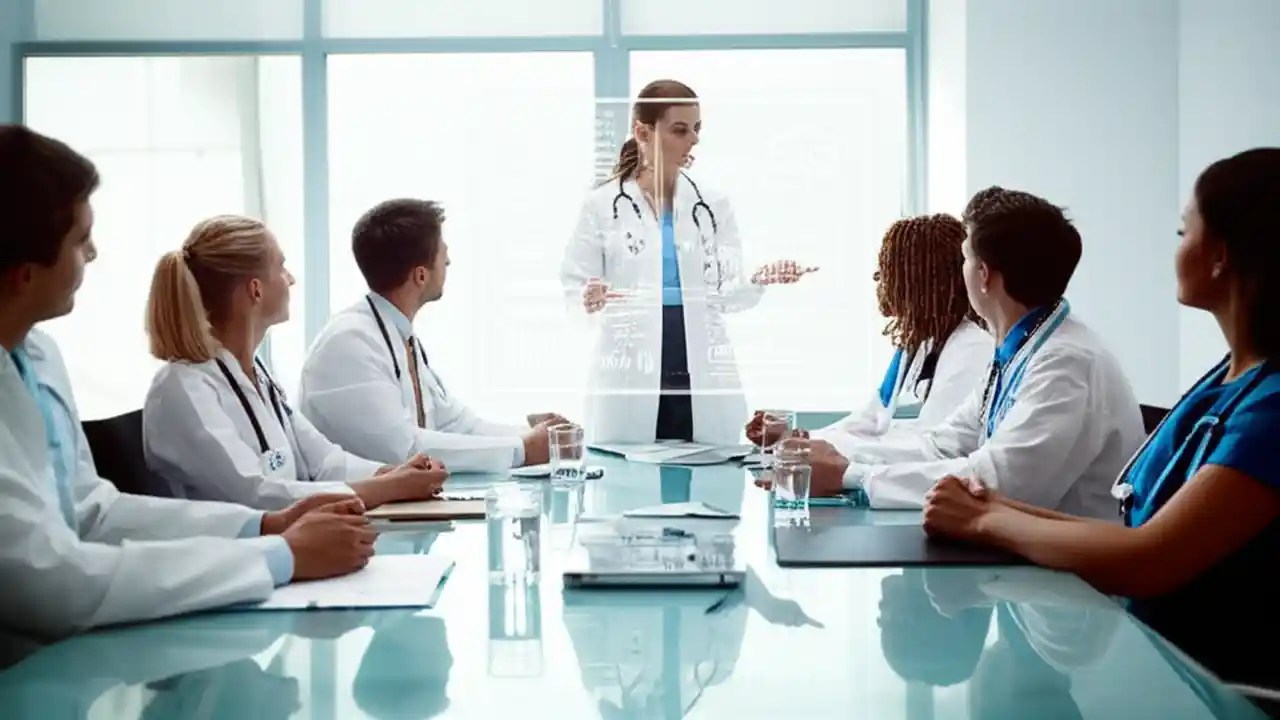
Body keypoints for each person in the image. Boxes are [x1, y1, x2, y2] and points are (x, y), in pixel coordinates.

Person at [922, 148, 1280, 688]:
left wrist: (983, 518)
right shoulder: (1228, 380)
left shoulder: (1272, 406)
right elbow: (1135, 527)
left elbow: (1150, 556)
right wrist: (994, 506)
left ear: (1220, 255)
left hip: (1207, 685)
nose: (1175, 248)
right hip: (1160, 655)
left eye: (1184, 232)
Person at [0, 124, 375, 639]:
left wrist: (266, 528)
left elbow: (92, 513)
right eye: (80, 240)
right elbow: (48, 583)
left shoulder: (39, 355)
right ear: (24, 271)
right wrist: (277, 555)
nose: (92, 255)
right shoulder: (184, 386)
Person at [803, 187, 1144, 518]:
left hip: (1067, 571)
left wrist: (851, 476)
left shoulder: (1066, 363)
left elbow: (995, 483)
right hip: (1016, 552)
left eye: (964, 257)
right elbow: (940, 445)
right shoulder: (1020, 349)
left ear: (983, 275)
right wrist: (835, 456)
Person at [560, 78, 816, 446]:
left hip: (698, 356)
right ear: (642, 132)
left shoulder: (713, 204)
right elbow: (575, 282)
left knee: (708, 477)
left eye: (696, 129)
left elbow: (728, 295)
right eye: (680, 129)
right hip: (630, 359)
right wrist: (588, 295)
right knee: (627, 485)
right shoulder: (601, 204)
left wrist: (760, 279)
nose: (693, 140)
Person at [142, 215, 447, 511]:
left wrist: (393, 474)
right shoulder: (183, 388)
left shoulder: (255, 376)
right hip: (230, 556)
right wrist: (389, 487)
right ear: (255, 289)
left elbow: (325, 462)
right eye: (282, 267)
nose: (291, 279)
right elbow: (258, 495)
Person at [300, 199, 570, 473]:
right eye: (443, 255)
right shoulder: (349, 343)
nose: (449, 261)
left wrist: (537, 435)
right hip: (362, 511)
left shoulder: (398, 334)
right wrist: (522, 449)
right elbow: (403, 450)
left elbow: (457, 424)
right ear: (420, 275)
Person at [746, 213, 991, 455]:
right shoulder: (917, 346)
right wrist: (796, 438)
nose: (878, 278)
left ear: (924, 280)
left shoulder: (971, 350)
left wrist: (811, 448)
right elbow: (870, 421)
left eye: (889, 269)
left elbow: (927, 447)